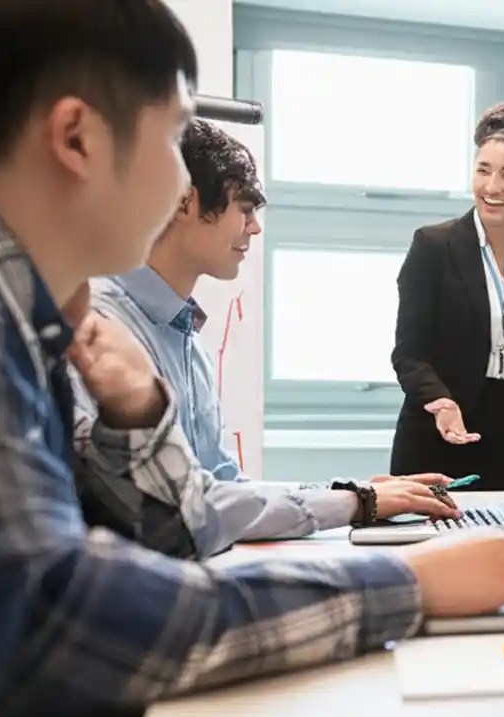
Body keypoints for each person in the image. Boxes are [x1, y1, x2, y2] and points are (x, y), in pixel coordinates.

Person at [0, 3, 504, 716]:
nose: (185, 180)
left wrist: (137, 412)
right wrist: (408, 582)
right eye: (176, 137)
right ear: (78, 138)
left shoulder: (35, 319)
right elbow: (60, 621)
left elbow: (170, 526)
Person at [75, 119, 461, 557]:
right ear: (184, 202)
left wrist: (353, 492)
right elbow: (187, 509)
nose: (255, 228)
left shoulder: (185, 335)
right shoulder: (100, 331)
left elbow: (225, 487)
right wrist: (355, 503)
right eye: (244, 208)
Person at [391, 102, 504, 491]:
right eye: (483, 171)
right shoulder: (432, 246)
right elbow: (408, 353)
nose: (492, 187)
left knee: (500, 542)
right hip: (435, 429)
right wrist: (442, 402)